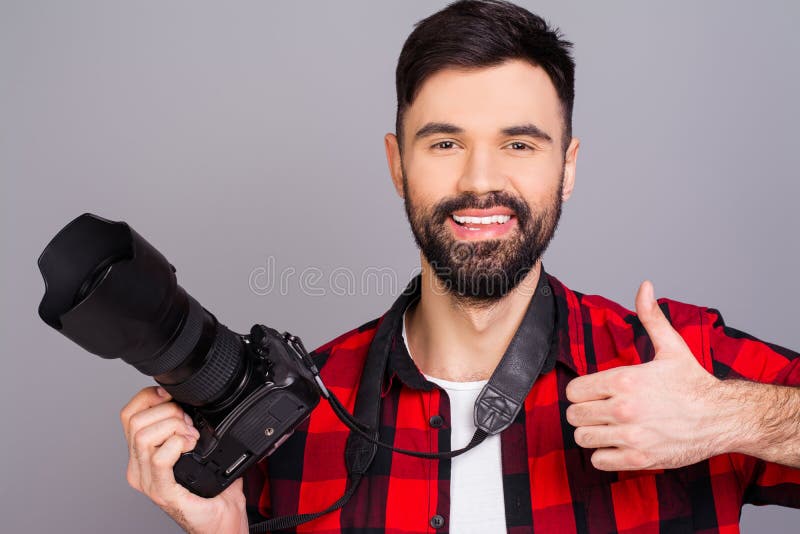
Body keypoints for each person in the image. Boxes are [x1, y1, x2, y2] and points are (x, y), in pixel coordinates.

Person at [119, 1, 800, 532]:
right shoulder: (297, 416)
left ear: (567, 169)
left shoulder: (681, 365)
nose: (481, 181)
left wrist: (729, 416)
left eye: (519, 144)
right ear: (396, 165)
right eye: (445, 142)